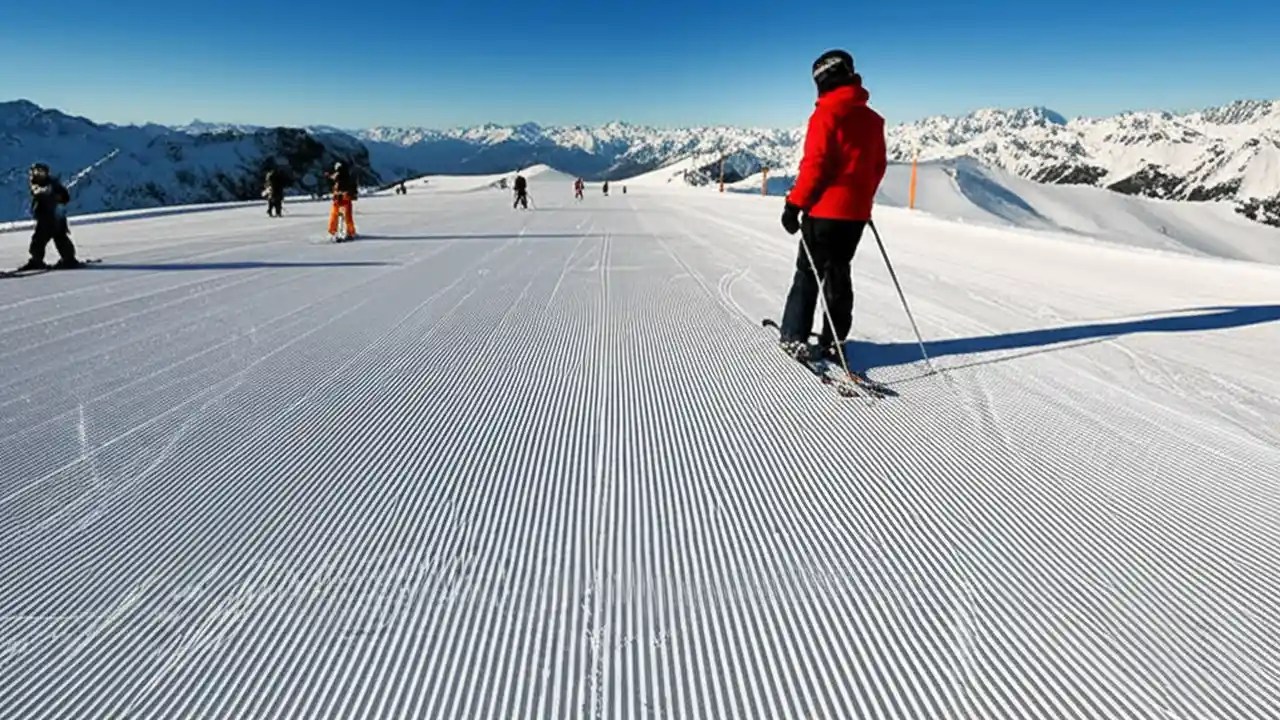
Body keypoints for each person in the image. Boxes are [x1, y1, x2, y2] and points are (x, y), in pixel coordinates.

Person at [777, 49, 886, 362]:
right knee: (839, 274)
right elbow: (877, 166)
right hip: (855, 215)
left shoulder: (825, 115)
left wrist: (794, 204)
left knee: (808, 273)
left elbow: (816, 165)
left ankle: (794, 336)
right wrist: (862, 200)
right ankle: (834, 341)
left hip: (823, 212)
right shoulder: (872, 120)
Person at [17, 163, 80, 271]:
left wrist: (54, 195)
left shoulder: (50, 184)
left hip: (50, 218)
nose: (37, 175)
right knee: (59, 238)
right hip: (53, 218)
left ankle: (38, 261)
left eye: (40, 172)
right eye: (35, 172)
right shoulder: (39, 184)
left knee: (40, 240)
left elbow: (64, 196)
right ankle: (68, 259)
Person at [325, 161, 358, 240]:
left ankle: (332, 231)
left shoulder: (338, 176)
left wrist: (328, 176)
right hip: (344, 199)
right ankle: (350, 232)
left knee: (335, 215)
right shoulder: (348, 176)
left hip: (339, 199)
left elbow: (332, 180)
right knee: (347, 217)